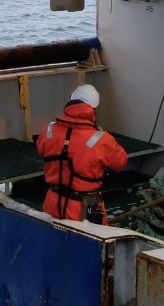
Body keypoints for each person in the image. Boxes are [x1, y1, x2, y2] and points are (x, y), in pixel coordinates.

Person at [35, 84, 129, 222]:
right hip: (85, 209)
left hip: (52, 202)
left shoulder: (48, 130)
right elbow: (120, 161)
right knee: (93, 242)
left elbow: (41, 149)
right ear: (93, 109)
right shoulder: (101, 139)